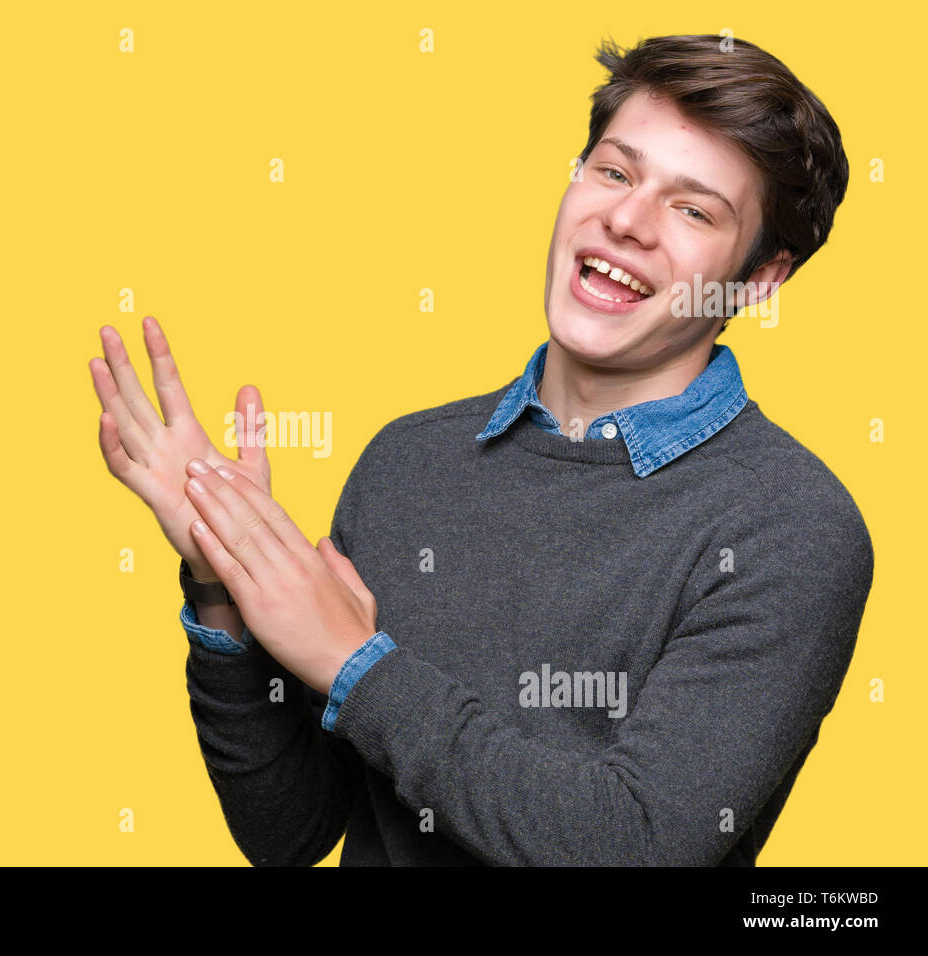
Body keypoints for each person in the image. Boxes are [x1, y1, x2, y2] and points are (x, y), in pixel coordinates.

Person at [88, 34, 873, 865]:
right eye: (614, 171)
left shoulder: (788, 529)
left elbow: (635, 844)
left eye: (693, 209)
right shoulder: (407, 463)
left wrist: (357, 664)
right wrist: (223, 576)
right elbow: (290, 834)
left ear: (757, 281)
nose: (627, 220)